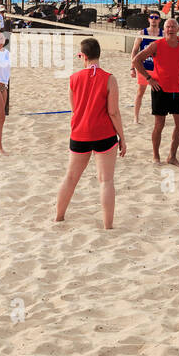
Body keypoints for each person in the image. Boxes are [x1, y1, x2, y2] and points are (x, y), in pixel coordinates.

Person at [55, 37, 126, 228]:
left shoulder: (73, 78)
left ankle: (59, 217)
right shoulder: (110, 78)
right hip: (104, 134)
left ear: (84, 56)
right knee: (106, 180)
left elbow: (75, 109)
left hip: (80, 133)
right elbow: (113, 112)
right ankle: (108, 225)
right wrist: (123, 138)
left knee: (70, 177)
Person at [131, 17, 179, 166]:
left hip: (177, 90)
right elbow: (136, 60)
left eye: (173, 26)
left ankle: (172, 156)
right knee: (159, 124)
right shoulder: (157, 45)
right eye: (168, 26)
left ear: (178, 29)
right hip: (159, 89)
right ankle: (156, 156)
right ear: (164, 29)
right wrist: (148, 78)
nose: (170, 29)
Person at [129, 12, 164, 123]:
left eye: (156, 18)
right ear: (148, 19)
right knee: (140, 92)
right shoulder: (142, 33)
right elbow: (134, 51)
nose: (154, 19)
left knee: (158, 93)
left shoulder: (163, 34)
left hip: (158, 69)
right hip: (144, 68)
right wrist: (132, 67)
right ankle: (136, 117)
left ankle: (158, 115)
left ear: (159, 20)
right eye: (152, 17)